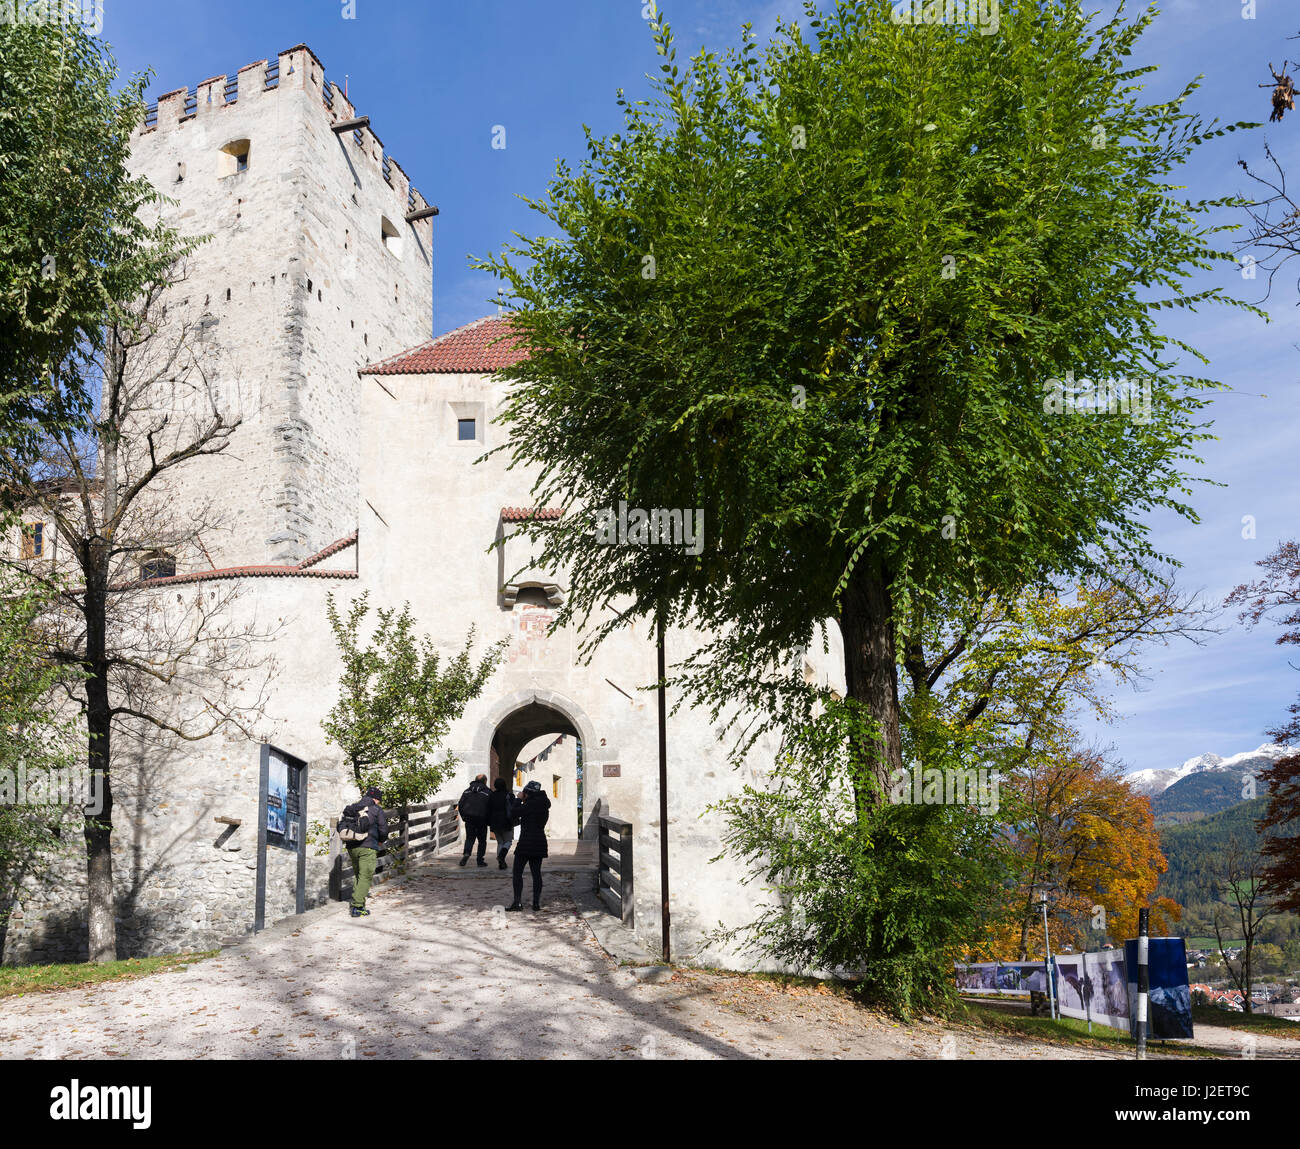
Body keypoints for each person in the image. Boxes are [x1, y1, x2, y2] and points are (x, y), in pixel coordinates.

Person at [342, 786, 388, 918]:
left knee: (359, 875)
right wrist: (381, 841)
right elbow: (383, 829)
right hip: (367, 847)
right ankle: (357, 907)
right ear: (376, 799)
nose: (378, 802)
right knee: (365, 876)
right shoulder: (376, 809)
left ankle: (359, 903)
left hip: (352, 846)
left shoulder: (354, 807)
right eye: (378, 800)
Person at [506, 779, 550, 912]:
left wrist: (518, 799)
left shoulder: (530, 804)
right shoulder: (543, 804)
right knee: (536, 873)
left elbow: (513, 813)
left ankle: (517, 902)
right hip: (540, 841)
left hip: (526, 841)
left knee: (517, 872)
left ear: (527, 793)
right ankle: (536, 903)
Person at [457, 773, 492, 867]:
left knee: (469, 838)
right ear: (485, 781)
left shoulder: (467, 791)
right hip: (482, 819)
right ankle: (480, 860)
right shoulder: (488, 792)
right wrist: (489, 820)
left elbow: (460, 804)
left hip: (469, 819)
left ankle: (466, 853)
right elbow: (491, 807)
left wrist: (464, 816)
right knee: (482, 841)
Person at [488, 777, 516, 870]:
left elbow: (488, 809)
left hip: (494, 821)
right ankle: (502, 857)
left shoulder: (491, 795)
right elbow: (513, 809)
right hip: (506, 821)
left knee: (500, 842)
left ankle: (501, 863)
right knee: (508, 841)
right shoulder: (509, 795)